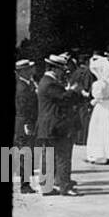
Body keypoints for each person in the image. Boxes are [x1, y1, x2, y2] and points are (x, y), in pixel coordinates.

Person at [36, 54, 86, 196]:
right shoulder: (50, 84)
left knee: (49, 156)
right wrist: (74, 90)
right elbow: (65, 99)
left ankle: (47, 186)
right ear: (55, 69)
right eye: (61, 69)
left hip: (49, 126)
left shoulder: (46, 81)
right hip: (56, 126)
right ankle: (64, 186)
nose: (63, 72)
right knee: (62, 156)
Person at [84, 56, 109, 164]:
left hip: (101, 107)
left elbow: (97, 97)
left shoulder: (98, 84)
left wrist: (92, 102)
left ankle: (96, 154)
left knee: (99, 131)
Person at [14, 59, 38, 193]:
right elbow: (23, 108)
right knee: (25, 154)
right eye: (29, 69)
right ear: (22, 71)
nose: (32, 71)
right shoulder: (22, 87)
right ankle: (25, 185)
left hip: (25, 123)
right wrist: (28, 124)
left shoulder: (27, 84)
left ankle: (26, 182)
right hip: (24, 124)